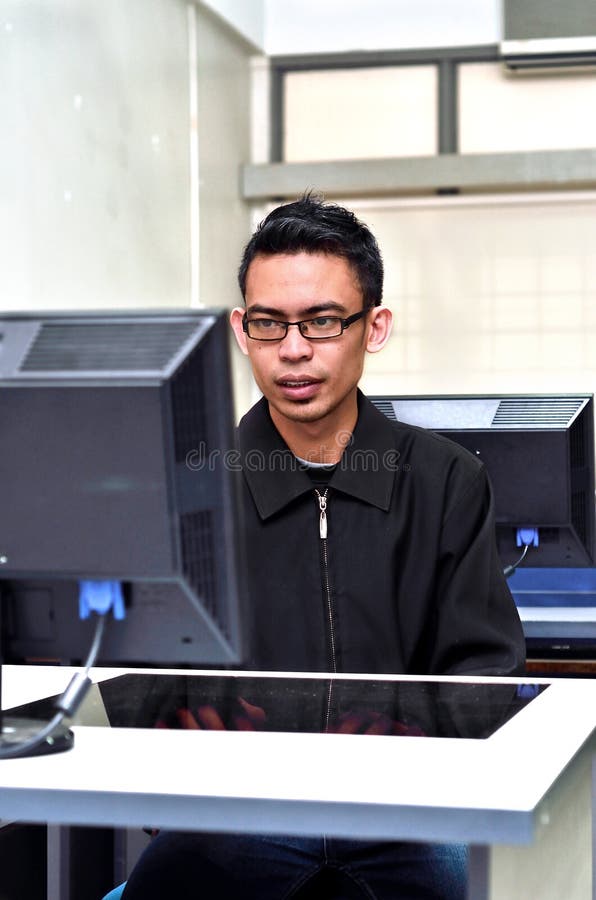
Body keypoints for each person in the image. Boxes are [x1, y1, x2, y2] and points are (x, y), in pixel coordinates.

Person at [122, 194, 525, 899]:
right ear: (242, 331)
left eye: (322, 321)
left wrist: (408, 739)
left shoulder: (445, 479)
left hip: (406, 815)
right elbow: (140, 675)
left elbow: (485, 672)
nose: (295, 349)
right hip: (233, 814)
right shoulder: (191, 484)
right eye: (271, 324)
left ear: (374, 327)